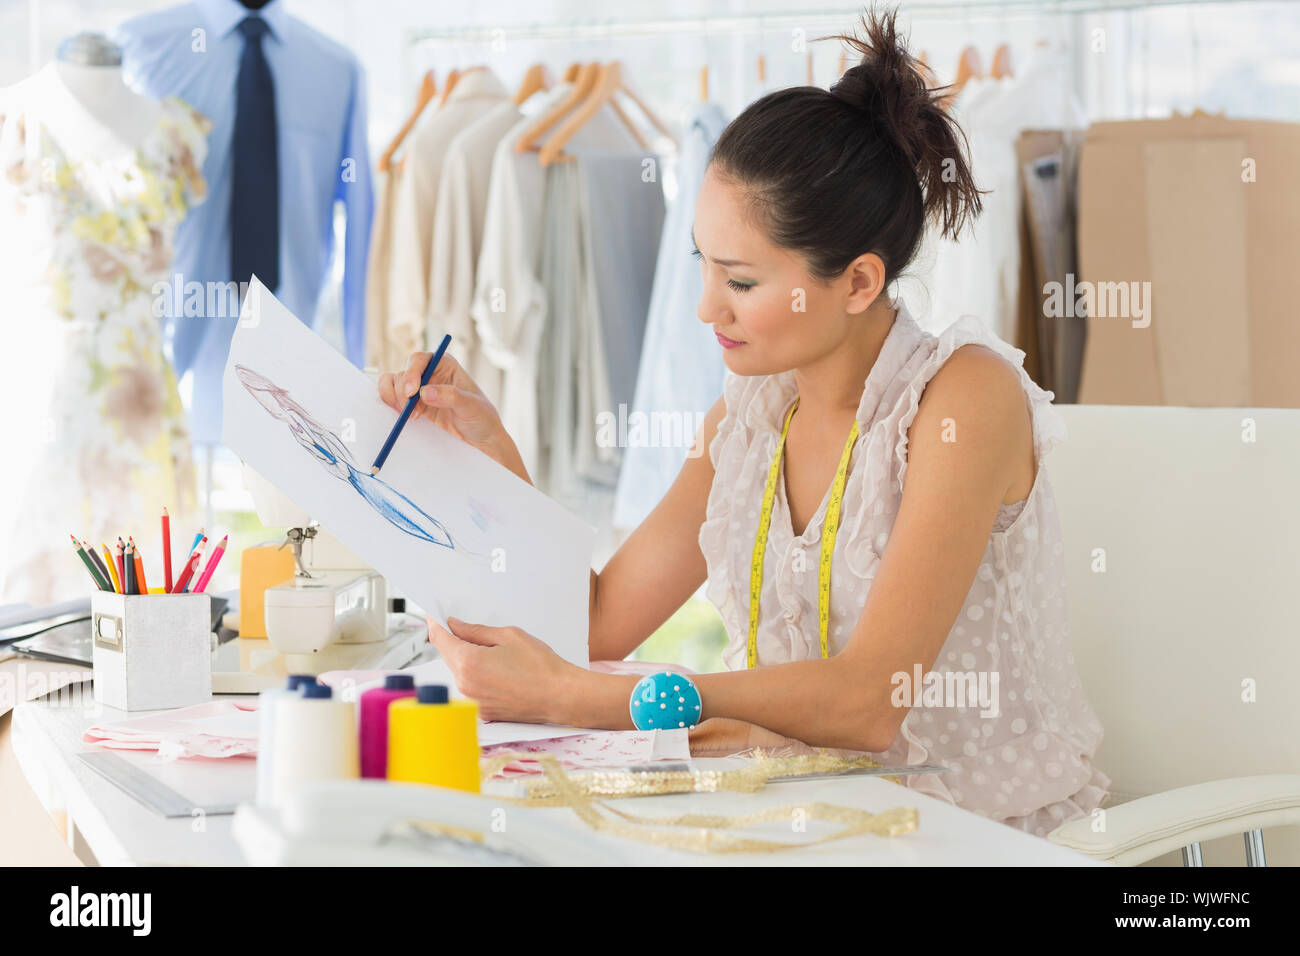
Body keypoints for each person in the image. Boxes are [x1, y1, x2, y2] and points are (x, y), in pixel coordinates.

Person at [377, 8, 1110, 838]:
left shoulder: (964, 400)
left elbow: (873, 702)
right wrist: (490, 450)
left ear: (859, 282)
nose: (704, 308)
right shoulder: (752, 416)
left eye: (742, 282)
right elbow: (596, 619)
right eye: (702, 263)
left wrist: (595, 699)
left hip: (972, 833)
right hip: (806, 819)